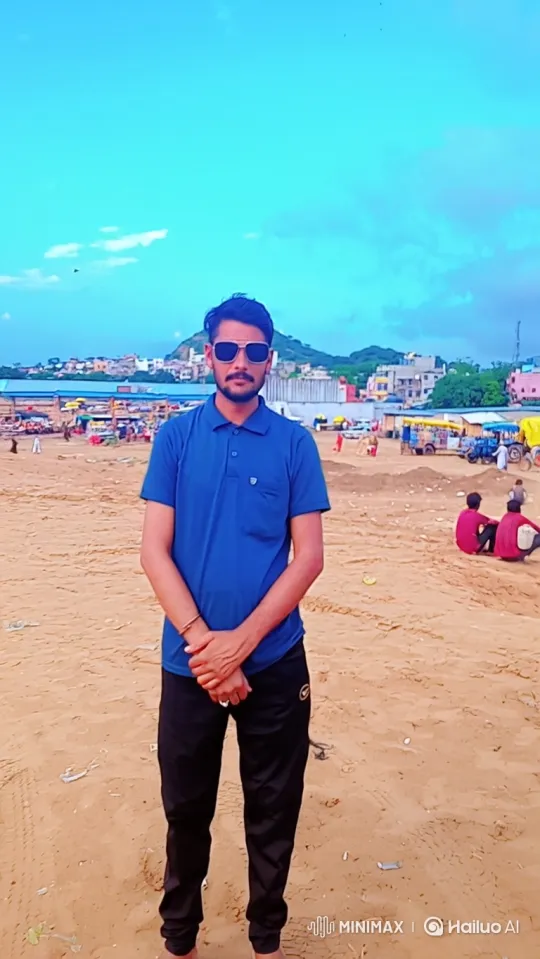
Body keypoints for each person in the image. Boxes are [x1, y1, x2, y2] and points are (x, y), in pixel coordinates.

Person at [140, 293, 330, 959]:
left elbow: (308, 556)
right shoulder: (175, 438)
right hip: (187, 663)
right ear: (209, 356)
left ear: (269, 360)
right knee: (185, 809)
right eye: (228, 349)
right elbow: (153, 550)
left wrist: (241, 645)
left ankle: (265, 939)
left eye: (254, 351)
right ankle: (180, 938)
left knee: (273, 810)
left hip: (274, 662)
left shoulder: (294, 444)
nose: (240, 362)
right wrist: (205, 645)